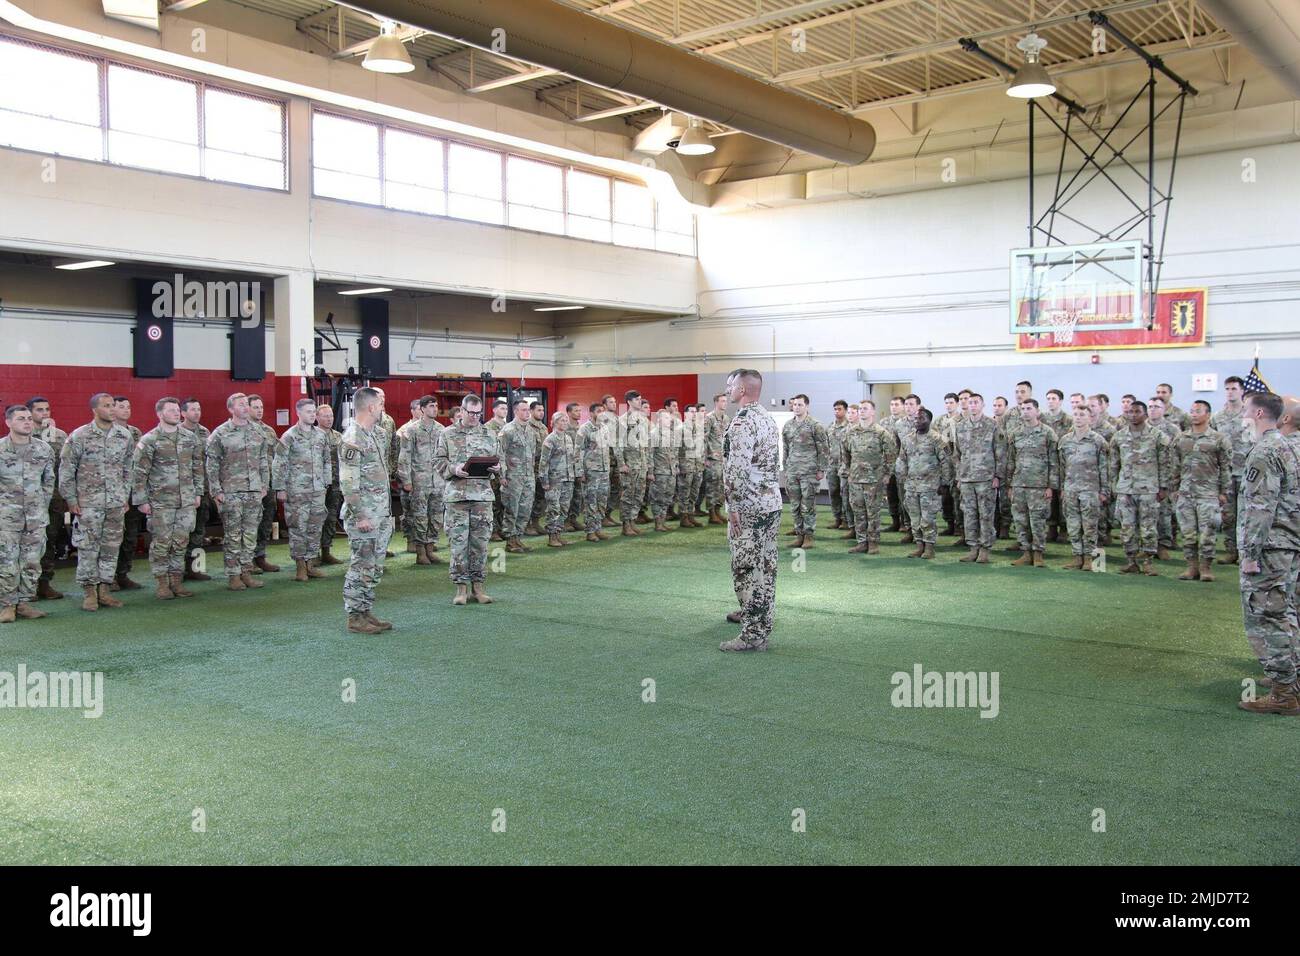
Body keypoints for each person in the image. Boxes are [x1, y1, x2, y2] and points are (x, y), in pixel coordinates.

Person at [1235, 391, 1300, 715]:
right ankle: (1291, 681)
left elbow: (1260, 507)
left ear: (1259, 414)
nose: (1241, 416)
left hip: (1270, 548)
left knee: (1266, 620)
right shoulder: (1287, 447)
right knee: (1285, 615)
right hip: (1286, 546)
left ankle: (1283, 694)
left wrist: (1249, 553)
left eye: (1245, 410)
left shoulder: (1265, 451)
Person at [720, 369, 781, 653]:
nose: (727, 389)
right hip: (770, 503)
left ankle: (752, 635)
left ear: (742, 389)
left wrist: (733, 507)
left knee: (746, 570)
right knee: (766, 567)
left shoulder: (742, 423)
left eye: (731, 385)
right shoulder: (767, 418)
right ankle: (762, 625)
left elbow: (737, 471)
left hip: (749, 507)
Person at [60, 392, 133, 611]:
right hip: (88, 503)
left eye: (113, 405)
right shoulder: (80, 436)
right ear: (94, 410)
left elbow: (128, 468)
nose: (112, 409)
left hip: (115, 503)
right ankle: (89, 592)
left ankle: (104, 589)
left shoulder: (124, 436)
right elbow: (66, 469)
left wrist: (124, 495)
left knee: (110, 547)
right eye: (106, 405)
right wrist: (71, 499)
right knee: (88, 547)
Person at [131, 397, 203, 600]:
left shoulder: (190, 438)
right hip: (160, 501)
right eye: (170, 410)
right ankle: (162, 583)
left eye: (176, 410)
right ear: (159, 414)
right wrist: (142, 500)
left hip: (186, 500)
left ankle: (176, 581)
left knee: (181, 541)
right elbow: (139, 473)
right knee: (162, 543)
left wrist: (198, 493)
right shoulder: (149, 440)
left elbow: (197, 468)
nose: (175, 413)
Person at [434, 394, 501, 606]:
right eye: (470, 413)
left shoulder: (489, 434)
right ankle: (461, 588)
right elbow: (437, 461)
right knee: (458, 544)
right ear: (461, 411)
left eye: (478, 413)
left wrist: (498, 469)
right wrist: (455, 469)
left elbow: (500, 462)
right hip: (457, 497)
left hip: (482, 497)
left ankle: (478, 588)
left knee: (480, 545)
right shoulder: (447, 434)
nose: (474, 417)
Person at [339, 387, 394, 634]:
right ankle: (354, 616)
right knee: (361, 564)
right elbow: (348, 482)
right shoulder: (353, 438)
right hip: (364, 515)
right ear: (371, 407)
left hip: (380, 511)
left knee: (374, 566)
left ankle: (365, 609)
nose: (383, 408)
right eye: (380, 404)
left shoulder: (377, 434)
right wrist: (359, 515)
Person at [206, 392, 271, 591]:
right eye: (240, 405)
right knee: (233, 535)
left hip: (253, 491)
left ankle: (246, 571)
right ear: (231, 409)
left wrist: (263, 486)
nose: (245, 407)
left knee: (250, 534)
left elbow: (263, 461)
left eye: (246, 404)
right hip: (231, 492)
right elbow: (212, 464)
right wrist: (216, 490)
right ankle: (233, 575)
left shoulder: (258, 432)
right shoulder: (220, 433)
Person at [0, 404, 55, 624]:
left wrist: (40, 506)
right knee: (7, 563)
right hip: (6, 518)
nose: (27, 422)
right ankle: (7, 605)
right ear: (8, 422)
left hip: (35, 518)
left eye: (29, 419)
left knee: (32, 562)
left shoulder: (43, 450)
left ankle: (23, 603)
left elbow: (49, 482)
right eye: (21, 418)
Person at [1109, 399, 1173, 576]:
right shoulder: (1119, 436)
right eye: (1130, 412)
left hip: (1149, 490)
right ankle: (1131, 561)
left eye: (1137, 412)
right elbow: (1113, 465)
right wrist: (1114, 486)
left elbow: (1165, 463)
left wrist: (1164, 487)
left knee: (1149, 527)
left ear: (1145, 414)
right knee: (1127, 528)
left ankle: (1148, 562)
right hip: (1126, 490)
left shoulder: (1158, 436)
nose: (1133, 415)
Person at [1172, 399, 1231, 582]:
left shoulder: (1219, 439)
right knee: (1188, 534)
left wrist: (1223, 492)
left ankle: (1206, 568)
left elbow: (1226, 467)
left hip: (1208, 494)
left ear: (1208, 414)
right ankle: (1192, 568)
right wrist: (1175, 489)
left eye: (1198, 411)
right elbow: (1174, 466)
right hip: (1186, 494)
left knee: (1208, 534)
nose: (1194, 414)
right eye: (1192, 411)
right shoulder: (1181, 438)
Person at [273, 398, 331, 582]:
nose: (312, 414)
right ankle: (299, 566)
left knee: (315, 526)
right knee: (298, 527)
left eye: (313, 411)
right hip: (297, 490)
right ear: (298, 413)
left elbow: (327, 460)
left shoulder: (321, 435)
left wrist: (326, 483)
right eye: (308, 411)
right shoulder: (289, 436)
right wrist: (280, 488)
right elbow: (279, 463)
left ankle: (310, 564)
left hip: (317, 489)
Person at [1002, 398, 1058, 568]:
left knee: (1038, 521)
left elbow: (1054, 461)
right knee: (1020, 520)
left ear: (1037, 411)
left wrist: (1051, 486)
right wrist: (1010, 485)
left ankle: (1038, 553)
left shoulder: (1047, 433)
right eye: (1023, 408)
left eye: (1029, 408)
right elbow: (1011, 461)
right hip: (1019, 484)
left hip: (1039, 485)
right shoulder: (1015, 434)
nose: (1025, 411)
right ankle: (1026, 552)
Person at [1057, 406, 1109, 570]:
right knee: (1073, 525)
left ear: (1090, 418)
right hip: (1071, 488)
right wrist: (1062, 488)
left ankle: (1093, 560)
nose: (1078, 418)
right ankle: (1077, 557)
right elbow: (1061, 466)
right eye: (1076, 415)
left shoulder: (1097, 440)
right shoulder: (1065, 440)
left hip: (1090, 489)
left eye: (1082, 415)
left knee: (1091, 526)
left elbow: (1104, 468)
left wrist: (1104, 491)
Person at [26, 397, 67, 600]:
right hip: (29, 498)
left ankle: (44, 583)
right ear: (29, 412)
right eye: (39, 410)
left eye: (47, 409)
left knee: (50, 539)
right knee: (29, 542)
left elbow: (65, 466)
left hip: (54, 497)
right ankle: (27, 585)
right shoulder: (22, 434)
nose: (44, 413)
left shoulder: (59, 436)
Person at [397, 396, 446, 566]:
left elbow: (445, 456)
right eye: (431, 406)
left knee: (436, 517)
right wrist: (406, 480)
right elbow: (404, 457)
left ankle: (430, 549)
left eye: (436, 405)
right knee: (420, 517)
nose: (435, 409)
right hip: (419, 481)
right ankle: (420, 552)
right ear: (422, 409)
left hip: (438, 482)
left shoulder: (442, 429)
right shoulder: (411, 430)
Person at [842, 400, 896, 555]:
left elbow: (891, 455)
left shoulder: (881, 433)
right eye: (860, 409)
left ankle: (873, 543)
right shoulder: (851, 432)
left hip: (874, 480)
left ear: (873, 412)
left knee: (872, 512)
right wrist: (847, 472)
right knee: (858, 511)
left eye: (865, 409)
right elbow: (844, 453)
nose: (862, 411)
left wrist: (886, 474)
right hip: (856, 479)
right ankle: (861, 542)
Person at [1211, 376, 1254, 564]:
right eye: (1227, 388)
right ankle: (1231, 550)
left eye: (1234, 388)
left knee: (1247, 514)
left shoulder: (1251, 415)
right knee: (1228, 515)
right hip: (1226, 474)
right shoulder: (1217, 417)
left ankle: (1246, 552)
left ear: (1242, 391)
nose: (1230, 392)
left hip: (1247, 472)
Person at [898, 407, 950, 559]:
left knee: (928, 519)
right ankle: (919, 545)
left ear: (929, 420)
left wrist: (945, 483)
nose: (918, 421)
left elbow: (946, 462)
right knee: (915, 518)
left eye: (921, 418)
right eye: (915, 418)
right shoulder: (907, 439)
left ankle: (929, 547)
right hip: (911, 485)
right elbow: (902, 460)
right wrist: (901, 478)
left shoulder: (937, 439)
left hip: (930, 486)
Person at [953, 393, 999, 564]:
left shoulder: (992, 425)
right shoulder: (961, 426)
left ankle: (985, 549)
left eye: (975, 402)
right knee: (969, 514)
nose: (972, 405)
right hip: (966, 478)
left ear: (982, 404)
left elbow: (999, 452)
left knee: (986, 514)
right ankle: (973, 548)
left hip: (986, 478)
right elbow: (957, 454)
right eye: (970, 402)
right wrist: (959, 476)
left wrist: (998, 476)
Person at [781, 394, 829, 548]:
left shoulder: (815, 425)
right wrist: (786, 468)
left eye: (800, 405)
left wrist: (822, 469)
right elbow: (786, 448)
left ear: (807, 406)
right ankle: (799, 534)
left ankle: (809, 536)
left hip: (809, 471)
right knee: (794, 505)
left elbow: (823, 449)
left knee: (807, 504)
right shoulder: (788, 425)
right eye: (794, 405)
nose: (796, 407)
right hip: (793, 471)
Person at [112, 396, 144, 591]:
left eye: (128, 406)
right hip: (113, 492)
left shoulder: (135, 432)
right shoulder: (109, 433)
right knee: (112, 537)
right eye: (121, 406)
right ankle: (108, 577)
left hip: (132, 491)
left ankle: (123, 573)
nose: (126, 410)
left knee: (131, 536)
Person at [179, 398, 213, 582]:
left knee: (199, 530)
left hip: (202, 489)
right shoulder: (176, 432)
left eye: (199, 409)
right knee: (181, 532)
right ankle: (176, 570)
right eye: (192, 409)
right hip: (181, 491)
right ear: (183, 413)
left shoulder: (204, 432)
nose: (197, 413)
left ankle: (195, 568)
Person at [498, 398, 538, 554]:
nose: (527, 412)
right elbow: (499, 454)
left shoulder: (531, 430)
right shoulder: (508, 430)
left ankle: (518, 537)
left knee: (525, 508)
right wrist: (502, 475)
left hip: (528, 476)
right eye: (524, 410)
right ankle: (509, 540)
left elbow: (533, 454)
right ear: (515, 411)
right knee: (511, 509)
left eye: (528, 410)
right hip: (512, 477)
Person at [247, 395, 281, 574]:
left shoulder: (269, 431)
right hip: (249, 486)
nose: (260, 410)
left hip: (267, 485)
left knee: (266, 521)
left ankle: (260, 556)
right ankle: (246, 560)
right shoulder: (241, 430)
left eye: (261, 407)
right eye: (255, 407)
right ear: (247, 408)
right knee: (249, 523)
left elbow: (277, 458)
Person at [1147, 396, 1182, 558]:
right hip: (1144, 478)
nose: (1153, 409)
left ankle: (1163, 545)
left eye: (1156, 407)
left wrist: (1174, 480)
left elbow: (1178, 454)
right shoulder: (1140, 428)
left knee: (1164, 514)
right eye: (1150, 406)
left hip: (1165, 477)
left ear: (1164, 410)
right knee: (1145, 515)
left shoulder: (1172, 430)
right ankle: (1146, 546)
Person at [613, 391, 651, 537]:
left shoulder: (643, 420)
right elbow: (618, 444)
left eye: (641, 399)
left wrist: (646, 463)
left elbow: (646, 444)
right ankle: (625, 524)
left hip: (641, 463)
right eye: (637, 399)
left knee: (639, 495)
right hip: (629, 463)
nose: (640, 402)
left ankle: (633, 520)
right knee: (628, 495)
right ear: (629, 401)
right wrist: (622, 464)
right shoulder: (623, 420)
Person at [538, 410, 578, 547]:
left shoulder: (568, 438)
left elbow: (572, 459)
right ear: (554, 423)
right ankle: (552, 536)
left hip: (568, 479)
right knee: (553, 508)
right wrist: (544, 481)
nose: (565, 423)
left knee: (564, 508)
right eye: (562, 420)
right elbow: (544, 462)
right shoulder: (550, 439)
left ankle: (558, 534)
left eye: (566, 421)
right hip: (554, 480)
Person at [575, 401, 613, 542]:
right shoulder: (584, 429)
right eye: (598, 411)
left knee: (602, 501)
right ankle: (590, 531)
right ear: (591, 413)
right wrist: (580, 471)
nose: (601, 414)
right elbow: (577, 451)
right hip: (590, 471)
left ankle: (598, 528)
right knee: (591, 501)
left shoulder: (604, 428)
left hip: (603, 470)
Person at [317, 404, 344, 567]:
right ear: (317, 418)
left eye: (331, 416)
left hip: (334, 484)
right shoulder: (312, 436)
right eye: (325, 416)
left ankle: (326, 551)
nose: (329, 419)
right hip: (317, 484)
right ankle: (312, 554)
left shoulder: (338, 437)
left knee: (331, 517)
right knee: (315, 518)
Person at [396, 398, 423, 553]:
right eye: (419, 409)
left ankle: (424, 542)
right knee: (409, 511)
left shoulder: (431, 429)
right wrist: (404, 478)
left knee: (425, 513)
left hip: (425, 478)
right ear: (412, 411)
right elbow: (400, 457)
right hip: (409, 477)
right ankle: (410, 540)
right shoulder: (404, 430)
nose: (421, 411)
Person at [647, 409, 678, 533]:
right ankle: (658, 523)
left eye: (669, 418)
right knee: (657, 498)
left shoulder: (671, 434)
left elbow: (674, 453)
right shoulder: (654, 434)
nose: (669, 420)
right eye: (666, 418)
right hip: (659, 472)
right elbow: (649, 454)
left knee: (667, 497)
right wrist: (650, 472)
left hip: (670, 472)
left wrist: (675, 467)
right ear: (659, 420)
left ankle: (663, 521)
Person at [675, 404, 706, 528]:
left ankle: (691, 515)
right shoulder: (680, 429)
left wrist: (703, 460)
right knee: (684, 492)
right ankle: (684, 517)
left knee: (694, 492)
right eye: (691, 412)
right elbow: (676, 448)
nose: (694, 414)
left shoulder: (699, 428)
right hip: (686, 466)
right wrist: (677, 465)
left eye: (695, 412)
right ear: (686, 414)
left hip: (698, 465)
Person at [703, 393, 730, 525]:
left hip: (723, 459)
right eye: (723, 401)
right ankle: (711, 513)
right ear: (716, 402)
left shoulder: (726, 418)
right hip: (712, 458)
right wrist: (704, 458)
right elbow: (704, 439)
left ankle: (718, 511)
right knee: (712, 485)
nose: (725, 403)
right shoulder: (709, 418)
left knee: (721, 486)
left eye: (726, 401)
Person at [486, 397, 509, 541]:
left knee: (503, 502)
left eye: (506, 409)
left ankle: (501, 528)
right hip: (494, 469)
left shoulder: (508, 426)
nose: (504, 411)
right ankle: (493, 530)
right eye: (501, 408)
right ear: (494, 410)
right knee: (494, 502)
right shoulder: (488, 426)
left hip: (507, 468)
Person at [827, 400, 852, 531]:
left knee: (845, 493)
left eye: (840, 409)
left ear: (845, 410)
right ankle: (837, 518)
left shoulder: (850, 427)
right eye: (835, 409)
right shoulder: (830, 427)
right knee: (833, 492)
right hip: (832, 465)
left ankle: (847, 520)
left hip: (844, 465)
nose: (837, 411)